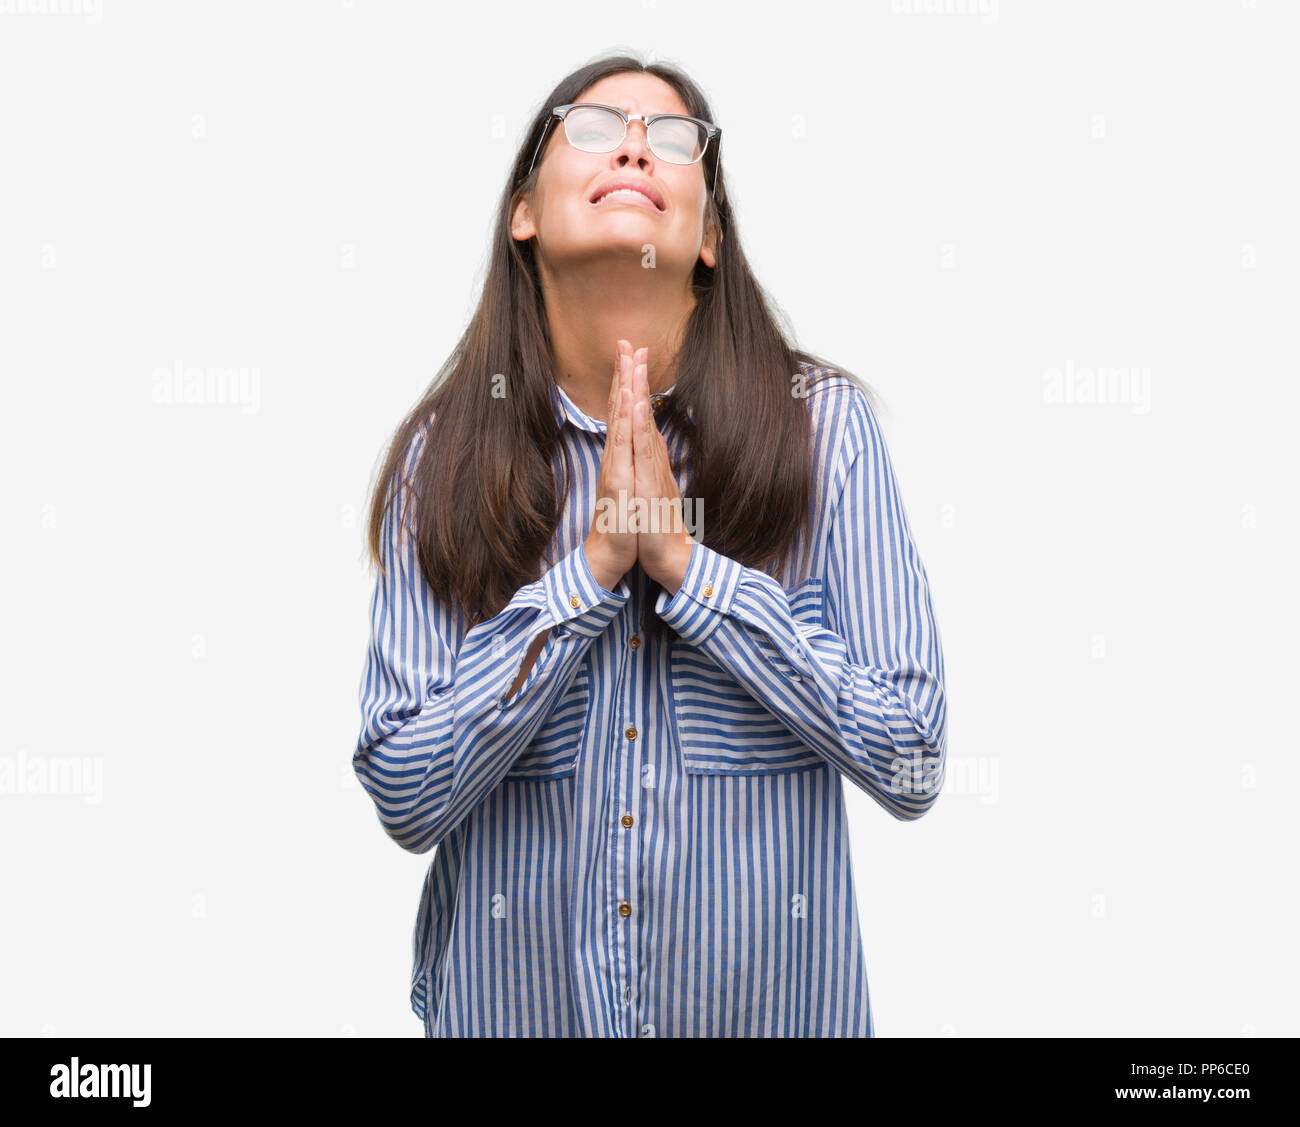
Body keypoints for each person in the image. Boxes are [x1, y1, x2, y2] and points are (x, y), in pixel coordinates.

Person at [352, 54, 948, 1037]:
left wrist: (691, 572)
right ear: (523, 212)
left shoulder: (825, 432)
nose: (634, 143)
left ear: (708, 233)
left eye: (673, 140)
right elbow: (404, 792)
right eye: (592, 126)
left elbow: (914, 759)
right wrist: (582, 580)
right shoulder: (446, 453)